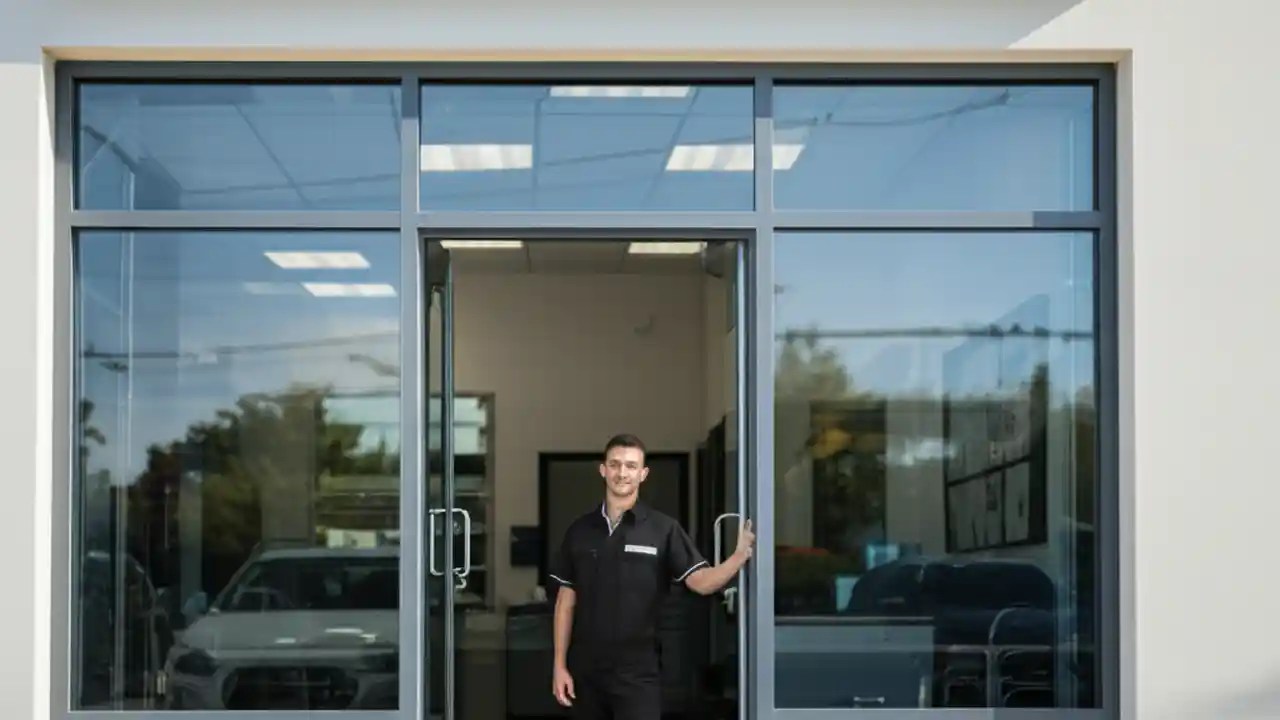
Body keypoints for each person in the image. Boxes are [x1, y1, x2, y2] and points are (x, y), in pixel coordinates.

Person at [548, 433, 755, 720]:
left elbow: (700, 582)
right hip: (585, 672)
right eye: (616, 464)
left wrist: (738, 557)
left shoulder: (663, 529)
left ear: (643, 474)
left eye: (631, 466)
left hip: (638, 673)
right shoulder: (579, 531)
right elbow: (565, 602)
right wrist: (559, 665)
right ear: (603, 469)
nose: (622, 473)